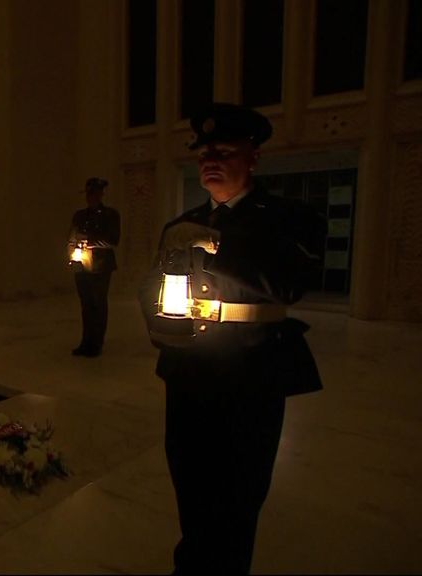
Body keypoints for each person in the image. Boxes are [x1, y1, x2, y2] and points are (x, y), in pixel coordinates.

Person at [138, 103, 326, 573]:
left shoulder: (288, 217)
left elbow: (289, 284)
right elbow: (152, 286)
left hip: (251, 373)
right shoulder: (181, 224)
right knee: (189, 480)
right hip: (188, 371)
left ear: (253, 157)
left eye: (223, 150)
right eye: (203, 153)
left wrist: (217, 246)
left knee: (238, 496)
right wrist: (159, 324)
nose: (210, 159)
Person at [67, 177, 120, 357]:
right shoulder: (79, 215)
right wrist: (72, 253)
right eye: (89, 193)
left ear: (101, 194)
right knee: (86, 305)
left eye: (95, 193)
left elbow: (113, 240)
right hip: (81, 265)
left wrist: (90, 241)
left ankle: (96, 343)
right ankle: (85, 342)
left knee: (98, 304)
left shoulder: (110, 215)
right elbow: (71, 237)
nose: (91, 197)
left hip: (101, 266)